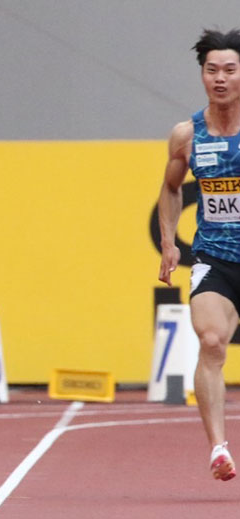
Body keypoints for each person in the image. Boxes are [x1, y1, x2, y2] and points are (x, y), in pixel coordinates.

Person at [158, 28, 240, 482]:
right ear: (203, 75)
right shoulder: (187, 134)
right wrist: (170, 241)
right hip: (216, 257)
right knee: (211, 341)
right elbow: (170, 189)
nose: (221, 79)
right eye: (213, 70)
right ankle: (218, 449)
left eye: (230, 69)